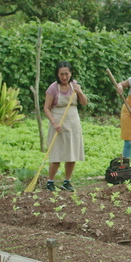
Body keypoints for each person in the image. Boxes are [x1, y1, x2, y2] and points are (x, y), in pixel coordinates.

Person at [44, 61, 88, 191]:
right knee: (57, 153)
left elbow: (84, 103)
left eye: (66, 74)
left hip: (73, 122)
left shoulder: (74, 86)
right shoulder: (53, 88)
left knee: (71, 153)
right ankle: (50, 182)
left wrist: (79, 91)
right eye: (61, 74)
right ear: (57, 74)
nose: (64, 77)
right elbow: (46, 108)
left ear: (71, 73)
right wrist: (54, 122)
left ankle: (67, 181)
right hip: (58, 122)